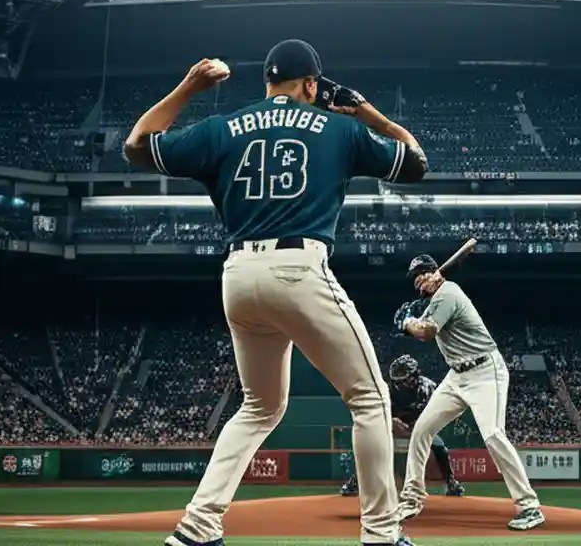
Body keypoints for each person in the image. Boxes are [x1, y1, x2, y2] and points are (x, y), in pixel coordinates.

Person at [122, 41, 426, 546]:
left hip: (239, 277)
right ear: (311, 84)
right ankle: (381, 534)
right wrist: (367, 111)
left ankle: (197, 528)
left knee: (259, 405)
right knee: (370, 399)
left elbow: (137, 145)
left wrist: (191, 86)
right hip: (299, 268)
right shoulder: (341, 127)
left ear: (267, 83)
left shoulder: (224, 128)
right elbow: (415, 163)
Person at [394, 254, 545, 531]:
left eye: (424, 273)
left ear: (435, 272)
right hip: (456, 376)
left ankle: (529, 506)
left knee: (493, 436)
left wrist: (407, 322)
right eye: (417, 278)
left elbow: (425, 332)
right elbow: (422, 324)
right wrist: (413, 318)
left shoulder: (449, 293)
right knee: (421, 430)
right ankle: (412, 498)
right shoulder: (435, 301)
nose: (421, 279)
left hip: (486, 372)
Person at [340, 355, 465, 498]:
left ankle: (451, 482)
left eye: (404, 379)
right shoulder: (388, 388)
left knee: (440, 448)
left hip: (421, 425)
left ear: (415, 376)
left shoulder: (428, 388)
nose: (400, 384)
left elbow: (433, 415)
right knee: (373, 445)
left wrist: (415, 427)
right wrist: (391, 421)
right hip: (393, 426)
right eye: (398, 379)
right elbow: (378, 412)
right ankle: (356, 481)